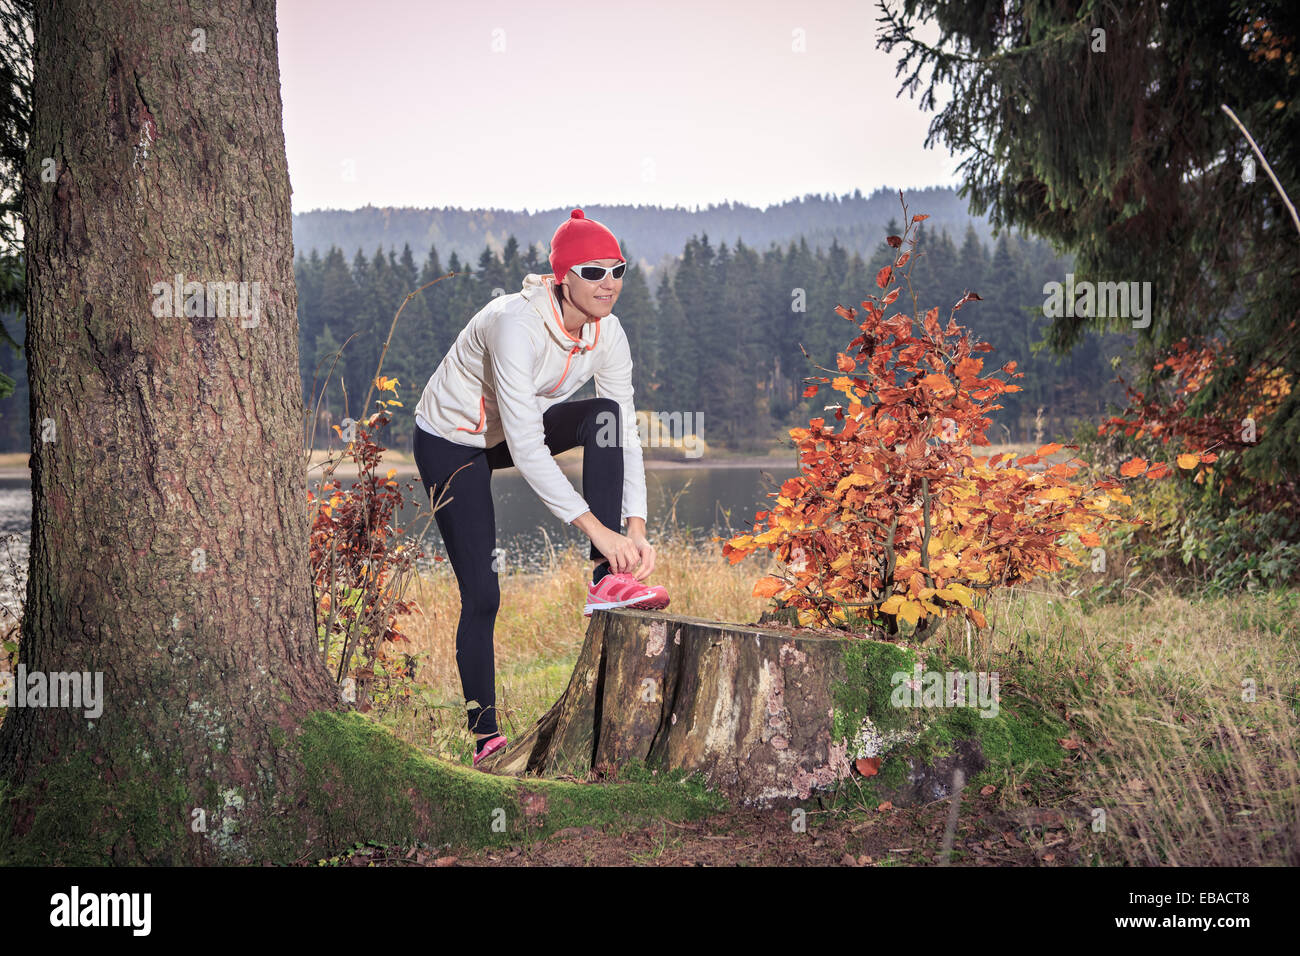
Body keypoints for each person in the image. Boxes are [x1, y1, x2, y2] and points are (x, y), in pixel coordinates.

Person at [412, 208, 670, 768]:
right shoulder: (515, 323)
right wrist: (598, 529)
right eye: (594, 271)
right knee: (483, 594)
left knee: (603, 415)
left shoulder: (610, 333)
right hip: (451, 440)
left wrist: (634, 528)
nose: (610, 283)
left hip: (505, 431)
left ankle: (608, 582)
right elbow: (529, 449)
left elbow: (623, 429)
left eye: (618, 269)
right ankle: (487, 740)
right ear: (563, 277)